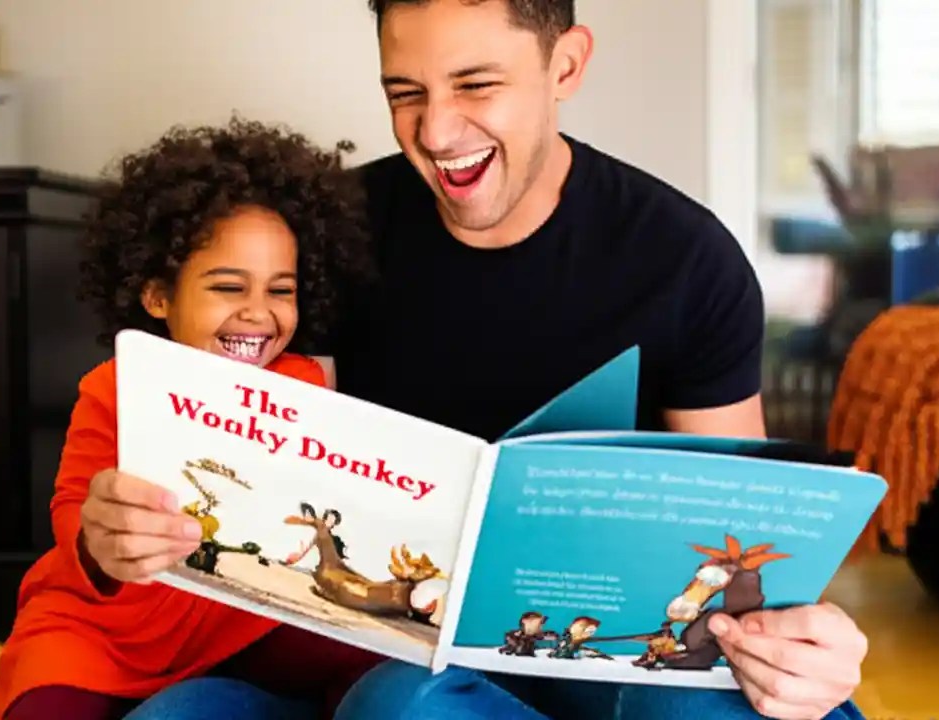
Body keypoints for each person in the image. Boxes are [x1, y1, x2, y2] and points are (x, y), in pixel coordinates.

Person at [324, 1, 870, 719]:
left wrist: (804, 653)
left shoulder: (685, 259)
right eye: (405, 93)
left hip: (628, 656)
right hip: (415, 652)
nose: (436, 131)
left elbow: (746, 527)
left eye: (477, 85)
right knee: (402, 705)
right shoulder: (331, 232)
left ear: (567, 66)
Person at [0, 118, 383, 720]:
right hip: (111, 626)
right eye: (227, 287)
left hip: (244, 618)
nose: (258, 314)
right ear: (158, 296)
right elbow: (73, 507)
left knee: (380, 660)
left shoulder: (306, 383)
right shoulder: (113, 386)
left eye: (282, 290)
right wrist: (100, 541)